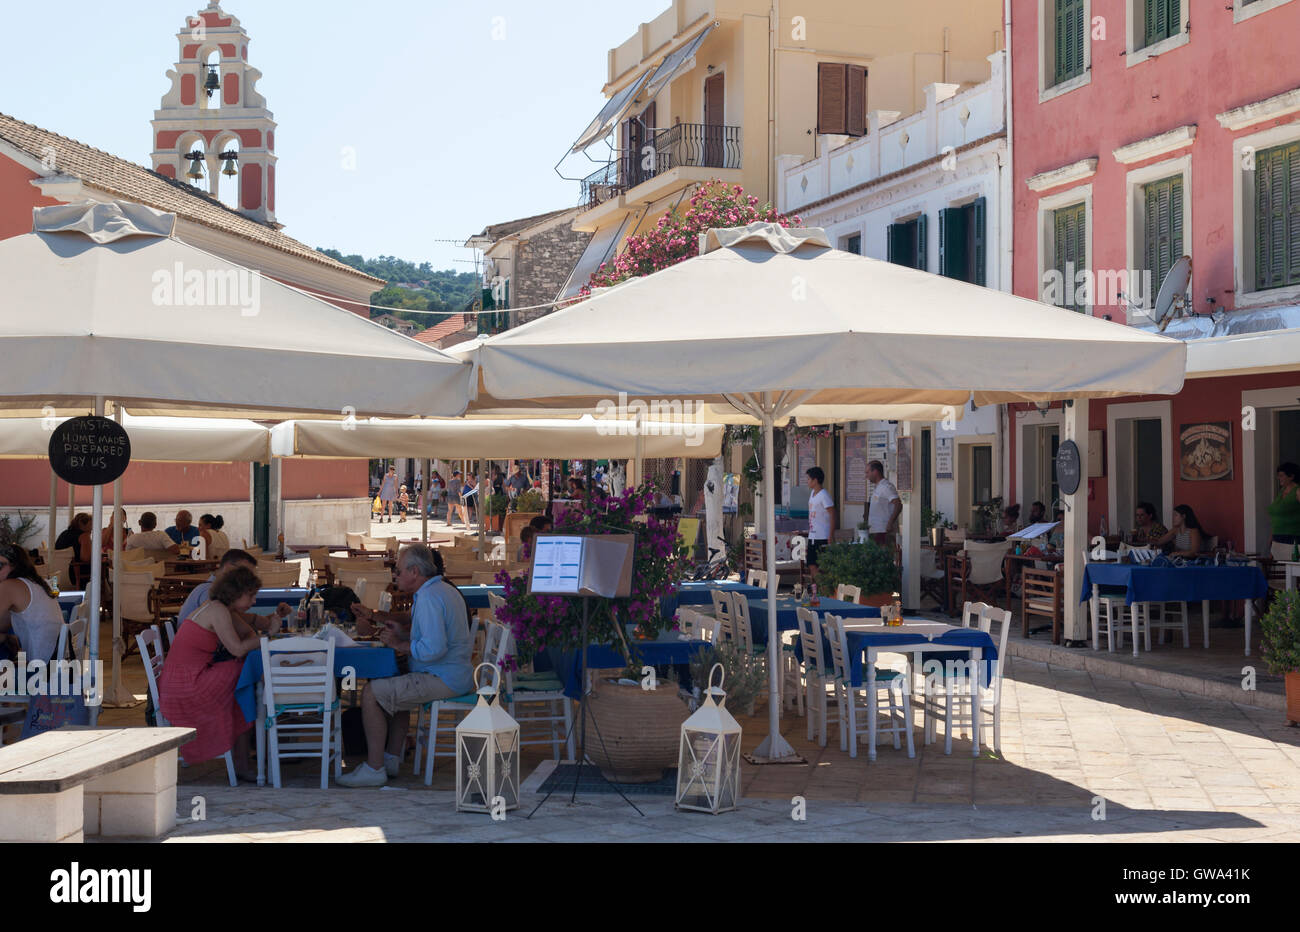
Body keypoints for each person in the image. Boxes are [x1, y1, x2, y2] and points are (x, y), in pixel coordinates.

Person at [338, 545, 473, 787]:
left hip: (443, 678)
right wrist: (399, 633)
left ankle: (374, 768)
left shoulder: (430, 598)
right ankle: (389, 758)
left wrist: (400, 643)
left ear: (414, 571)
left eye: (398, 571)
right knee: (396, 683)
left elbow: (434, 649)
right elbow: (424, 631)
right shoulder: (439, 590)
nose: (395, 576)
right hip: (453, 674)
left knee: (371, 694)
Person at [159, 566, 263, 780]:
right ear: (236, 593)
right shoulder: (218, 611)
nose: (254, 601)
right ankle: (245, 758)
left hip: (182, 679)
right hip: (187, 685)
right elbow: (237, 648)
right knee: (244, 675)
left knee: (242, 683)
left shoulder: (219, 607)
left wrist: (258, 637)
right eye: (251, 595)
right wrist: (268, 638)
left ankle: (242, 762)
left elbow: (247, 634)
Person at [176, 549, 289, 631]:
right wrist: (265, 627)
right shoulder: (209, 593)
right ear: (229, 568)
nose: (248, 579)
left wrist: (275, 616)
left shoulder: (217, 592)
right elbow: (238, 638)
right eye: (244, 573)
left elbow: (242, 624)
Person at [0, 544, 64, 670]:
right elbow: (3, 625)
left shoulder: (10, 586)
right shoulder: (33, 582)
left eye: (0, 565)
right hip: (54, 662)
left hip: (40, 671)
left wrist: (4, 637)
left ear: (15, 565)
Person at [865, 460, 901, 547]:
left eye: (867, 472)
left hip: (884, 531)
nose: (866, 476)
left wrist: (890, 522)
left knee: (885, 557)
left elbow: (898, 504)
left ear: (875, 472)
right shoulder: (878, 487)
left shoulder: (886, 487)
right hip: (875, 530)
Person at [1267, 463, 1300, 557]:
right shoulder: (1281, 492)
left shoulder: (1297, 491)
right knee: (1278, 568)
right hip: (1278, 537)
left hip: (1293, 537)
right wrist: (1272, 537)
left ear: (1291, 476)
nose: (1279, 478)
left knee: (1291, 569)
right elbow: (1276, 518)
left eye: (1282, 475)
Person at [805, 466, 836, 566]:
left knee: (821, 565)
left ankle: (822, 582)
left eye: (809, 479)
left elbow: (832, 514)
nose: (807, 481)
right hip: (812, 535)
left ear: (815, 480)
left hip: (822, 535)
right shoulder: (812, 493)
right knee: (811, 563)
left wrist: (830, 535)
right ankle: (817, 582)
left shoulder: (824, 495)